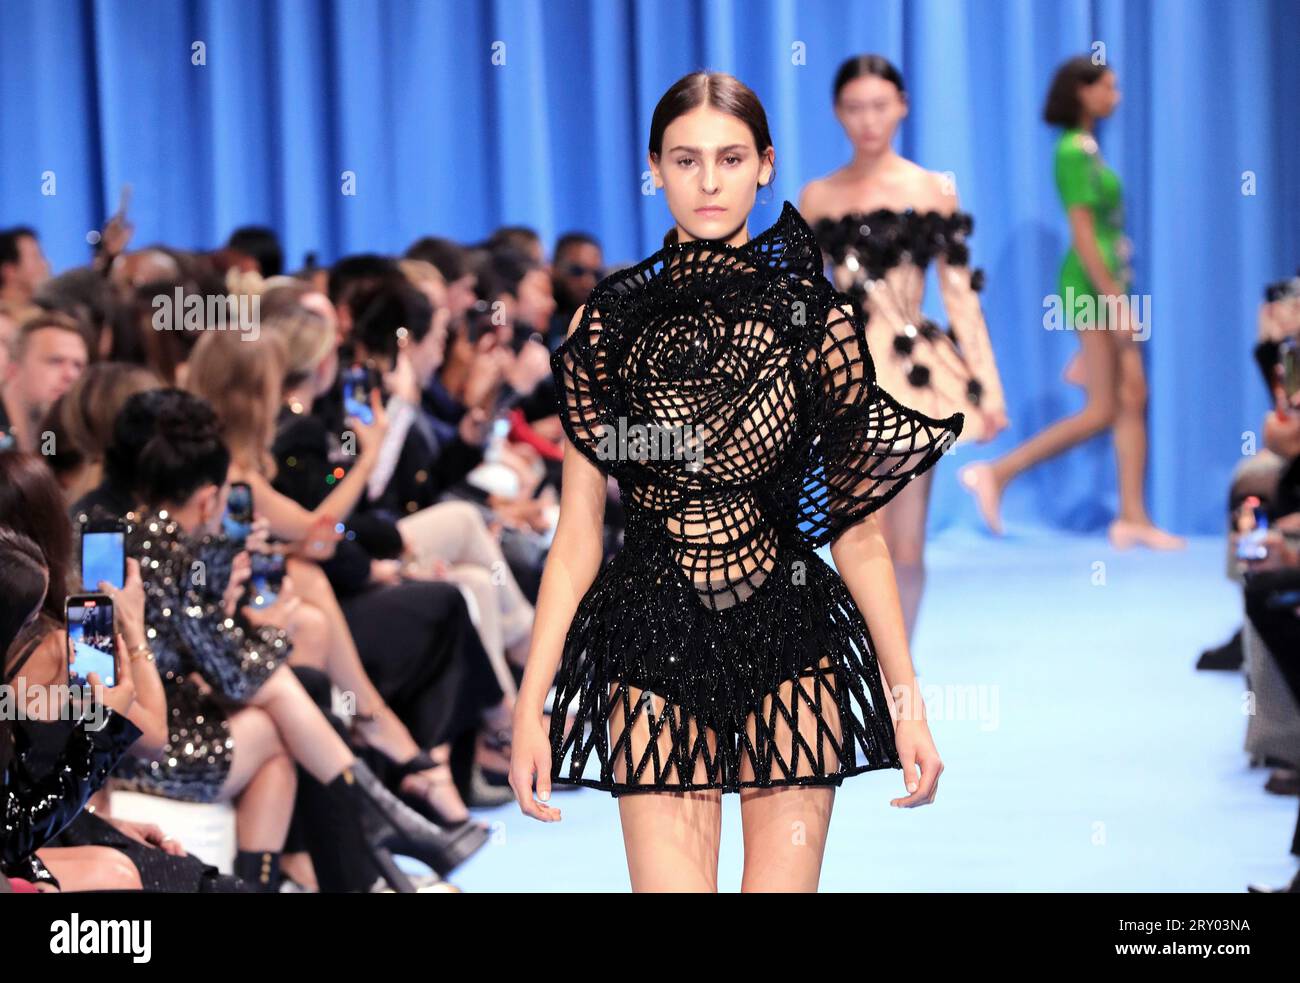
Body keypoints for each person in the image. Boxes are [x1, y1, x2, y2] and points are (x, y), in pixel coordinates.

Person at [509, 71, 956, 892]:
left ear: (766, 165)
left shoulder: (815, 320)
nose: (709, 182)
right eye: (685, 159)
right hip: (648, 646)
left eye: (730, 158)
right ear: (654, 169)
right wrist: (531, 703)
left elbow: (858, 533)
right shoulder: (604, 322)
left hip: (792, 644)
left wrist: (908, 701)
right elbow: (575, 538)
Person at [800, 54, 1008, 641]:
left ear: (902, 107)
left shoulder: (932, 189)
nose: (868, 120)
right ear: (838, 113)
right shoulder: (817, 196)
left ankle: (898, 677)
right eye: (854, 107)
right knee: (860, 539)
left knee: (908, 544)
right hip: (843, 376)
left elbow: (961, 297)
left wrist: (988, 389)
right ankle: (869, 669)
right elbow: (805, 301)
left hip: (916, 373)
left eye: (879, 105)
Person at [956, 56, 1185, 550]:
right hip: (1092, 288)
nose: (1116, 96)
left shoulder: (1086, 148)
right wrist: (1116, 306)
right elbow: (1084, 237)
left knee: (1131, 398)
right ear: (1083, 92)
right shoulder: (1072, 153)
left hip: (1109, 284)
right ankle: (997, 473)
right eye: (1109, 86)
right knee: (1106, 406)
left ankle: (1132, 516)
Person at [0, 312, 89, 453]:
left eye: (78, 365)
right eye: (55, 361)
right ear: (13, 368)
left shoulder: (55, 438)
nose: (71, 375)